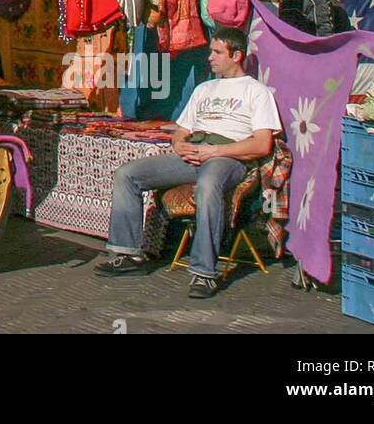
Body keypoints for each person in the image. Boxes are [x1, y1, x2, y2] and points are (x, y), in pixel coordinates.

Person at [94, 26, 282, 298]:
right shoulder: (204, 89)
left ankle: (204, 273)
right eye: (211, 51)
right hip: (194, 152)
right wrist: (179, 143)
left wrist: (214, 153)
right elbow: (181, 128)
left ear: (237, 55)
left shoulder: (256, 92)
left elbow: (261, 144)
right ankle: (128, 255)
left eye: (217, 52)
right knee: (128, 174)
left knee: (208, 185)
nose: (210, 58)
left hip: (228, 156)